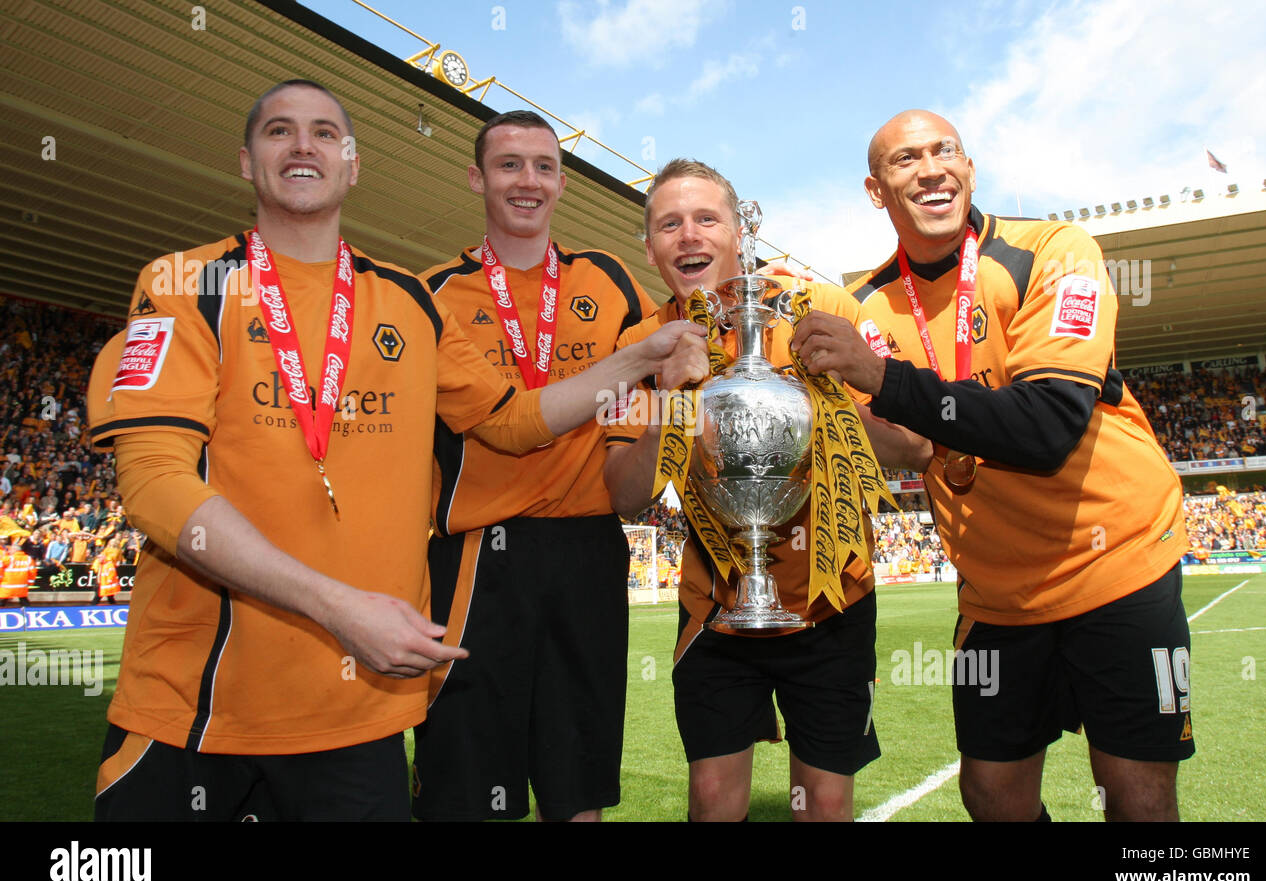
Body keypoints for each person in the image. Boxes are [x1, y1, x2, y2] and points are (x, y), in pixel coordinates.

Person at [85, 81, 704, 821]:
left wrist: (645, 357)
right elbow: (153, 483)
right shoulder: (186, 285)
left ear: (353, 165)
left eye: (325, 133)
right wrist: (336, 605)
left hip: (358, 714)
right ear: (247, 161)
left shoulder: (409, 302)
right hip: (195, 710)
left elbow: (511, 419)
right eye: (280, 132)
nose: (304, 145)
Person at [791, 110, 1192, 821]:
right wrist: (802, 403)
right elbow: (911, 446)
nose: (931, 168)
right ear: (875, 189)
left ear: (970, 169)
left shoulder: (1056, 249)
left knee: (1136, 795)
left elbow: (1046, 428)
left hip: (1118, 563)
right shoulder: (869, 308)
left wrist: (881, 380)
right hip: (998, 594)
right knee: (992, 793)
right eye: (905, 159)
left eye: (946, 150)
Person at [604, 159, 930, 821]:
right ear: (650, 246)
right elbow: (621, 493)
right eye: (670, 223)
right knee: (713, 803)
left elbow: (917, 447)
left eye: (706, 218)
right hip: (715, 606)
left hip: (832, 599)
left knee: (824, 805)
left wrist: (835, 393)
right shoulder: (641, 343)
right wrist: (668, 397)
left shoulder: (823, 308)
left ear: (739, 229)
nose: (689, 236)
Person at [410, 110, 686, 822]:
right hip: (476, 561)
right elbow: (506, 426)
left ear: (562, 182)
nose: (526, 180)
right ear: (477, 177)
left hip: (587, 554)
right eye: (508, 165)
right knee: (466, 791)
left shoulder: (615, 283)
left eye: (542, 166)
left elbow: (688, 343)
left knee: (579, 790)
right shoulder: (431, 293)